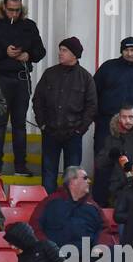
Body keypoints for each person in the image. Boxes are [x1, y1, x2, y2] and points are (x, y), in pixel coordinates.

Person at [0, 0, 46, 176]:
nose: (14, 14)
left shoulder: (29, 26)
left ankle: (20, 166)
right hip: (0, 78)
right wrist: (4, 52)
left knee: (19, 124)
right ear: (3, 7)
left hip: (22, 79)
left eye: (17, 10)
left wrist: (28, 55)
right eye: (10, 10)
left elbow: (41, 51)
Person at [32, 37, 98, 192]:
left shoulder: (86, 78)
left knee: (73, 176)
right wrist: (42, 123)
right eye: (60, 49)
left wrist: (80, 130)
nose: (60, 53)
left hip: (73, 135)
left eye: (64, 50)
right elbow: (37, 100)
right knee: (48, 173)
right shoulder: (49, 74)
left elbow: (92, 106)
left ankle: (69, 205)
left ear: (74, 54)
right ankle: (47, 206)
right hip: (50, 132)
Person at [92, 37, 133, 197]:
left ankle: (128, 202)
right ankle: (100, 202)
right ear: (121, 51)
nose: (129, 53)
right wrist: (96, 117)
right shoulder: (108, 68)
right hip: (106, 126)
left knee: (131, 165)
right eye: (126, 50)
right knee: (103, 163)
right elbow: (92, 93)